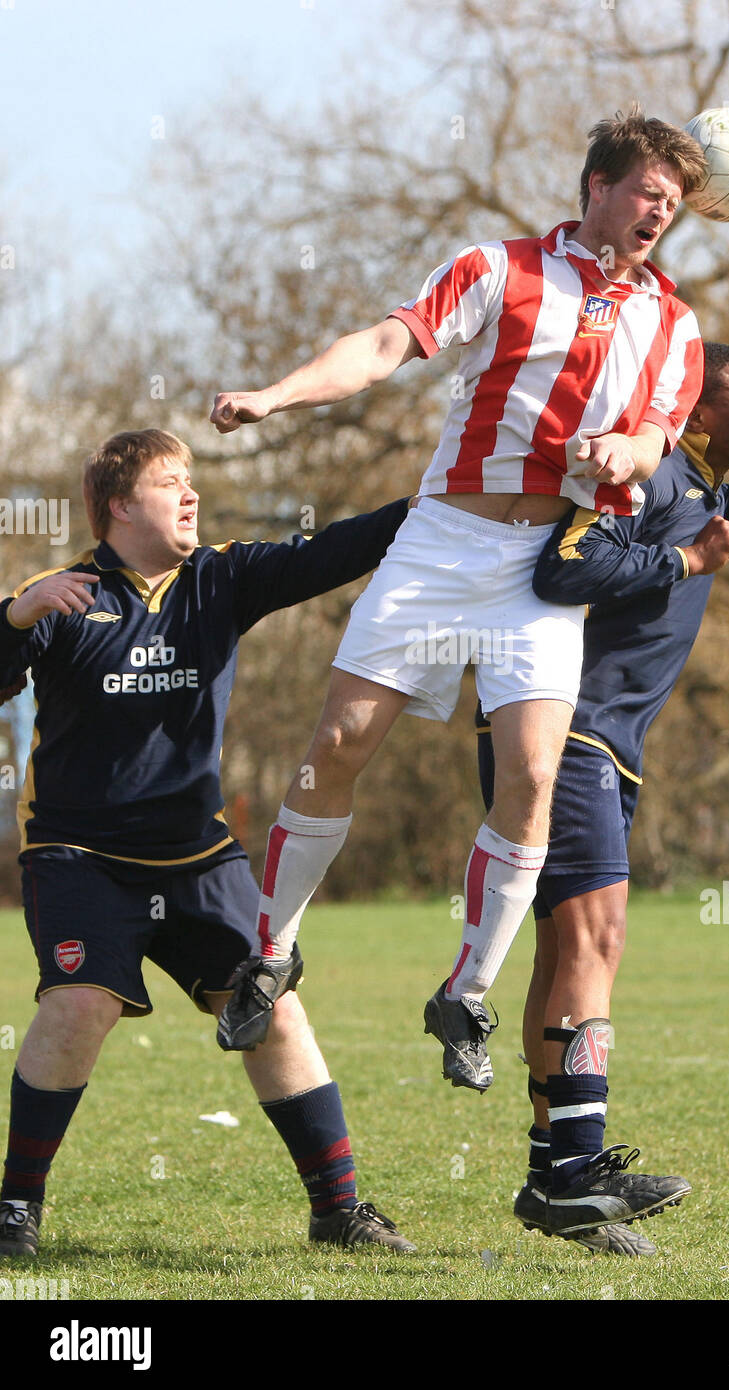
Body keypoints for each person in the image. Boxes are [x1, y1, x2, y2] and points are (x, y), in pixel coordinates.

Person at [209, 115, 709, 1232]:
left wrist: (618, 456)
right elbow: (384, 346)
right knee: (338, 743)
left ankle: (464, 991)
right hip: (442, 542)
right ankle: (269, 952)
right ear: (593, 188)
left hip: (541, 566)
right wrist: (276, 397)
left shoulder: (674, 324)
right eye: (641, 193)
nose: (655, 213)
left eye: (670, 203)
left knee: (529, 777)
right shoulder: (499, 268)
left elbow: (655, 443)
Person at [473, 343, 729, 1254]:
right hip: (566, 733)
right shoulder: (654, 482)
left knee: (567, 945)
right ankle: (576, 1168)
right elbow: (563, 569)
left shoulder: (694, 483)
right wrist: (692, 564)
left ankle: (553, 1176)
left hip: (591, 743)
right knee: (596, 939)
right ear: (698, 414)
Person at [0, 428, 415, 1257]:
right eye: (169, 481)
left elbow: (333, 550)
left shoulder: (220, 579)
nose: (190, 493)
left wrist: (442, 500)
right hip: (78, 855)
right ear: (120, 505)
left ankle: (339, 1210)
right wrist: (14, 618)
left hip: (197, 856)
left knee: (271, 1010)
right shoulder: (61, 594)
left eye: (191, 479)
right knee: (80, 1004)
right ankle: (15, 1209)